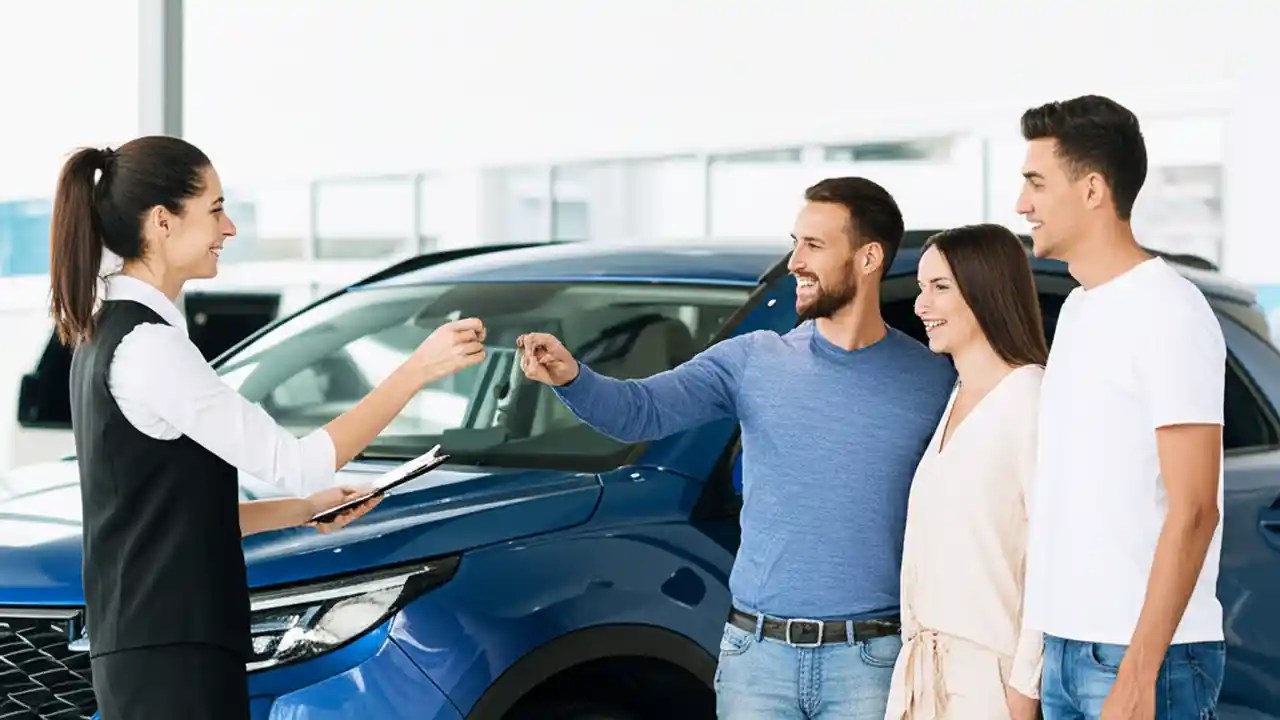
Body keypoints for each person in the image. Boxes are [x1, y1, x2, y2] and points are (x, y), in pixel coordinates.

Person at [49, 136, 488, 720]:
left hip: (154, 645)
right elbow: (298, 463)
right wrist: (417, 370)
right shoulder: (149, 348)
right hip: (174, 653)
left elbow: (170, 518)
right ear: (162, 221)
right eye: (214, 209)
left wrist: (304, 511)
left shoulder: (111, 336)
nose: (228, 228)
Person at [517, 177, 956, 719]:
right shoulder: (753, 359)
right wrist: (572, 377)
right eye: (794, 242)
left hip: (873, 660)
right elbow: (640, 410)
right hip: (757, 661)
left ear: (868, 258)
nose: (795, 261)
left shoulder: (932, 381)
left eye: (814, 245)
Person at [1016, 96, 1227, 719]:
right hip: (1066, 649)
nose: (1022, 204)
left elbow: (1195, 509)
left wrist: (1139, 674)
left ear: (1092, 190)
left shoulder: (1170, 310)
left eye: (1036, 183)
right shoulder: (1079, 309)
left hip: (1140, 658)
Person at [883, 224, 1047, 720]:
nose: (921, 305)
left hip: (989, 683)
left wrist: (1024, 690)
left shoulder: (1029, 396)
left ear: (986, 290)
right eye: (921, 288)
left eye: (940, 287)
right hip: (925, 676)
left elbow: (1051, 556)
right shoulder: (957, 394)